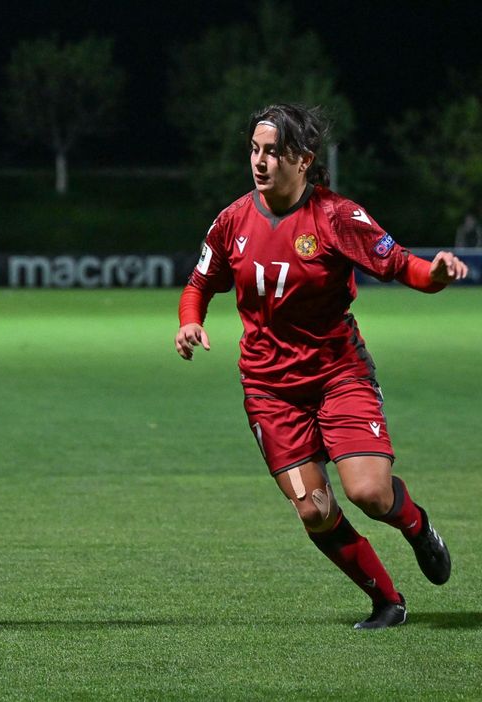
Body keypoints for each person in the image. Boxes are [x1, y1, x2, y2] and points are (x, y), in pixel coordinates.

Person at [175, 103, 468, 630]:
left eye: (272, 152)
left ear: (304, 159)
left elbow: (402, 264)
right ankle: (387, 601)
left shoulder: (337, 217)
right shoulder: (232, 221)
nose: (259, 162)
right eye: (254, 150)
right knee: (314, 509)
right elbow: (199, 283)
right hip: (269, 389)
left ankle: (417, 527)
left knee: (370, 493)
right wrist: (189, 322)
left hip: (338, 375)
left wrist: (438, 274)